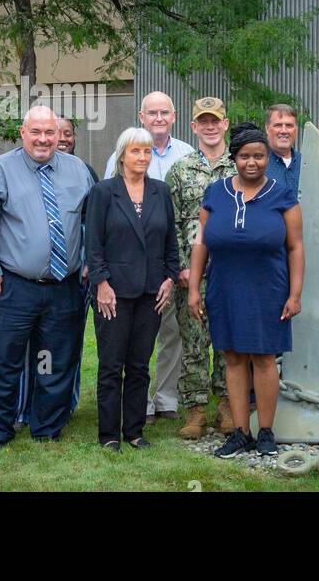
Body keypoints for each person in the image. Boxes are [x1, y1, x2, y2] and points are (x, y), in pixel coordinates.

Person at [0, 106, 93, 452]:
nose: (43, 139)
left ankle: (47, 427)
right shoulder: (1, 169)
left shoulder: (77, 170)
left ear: (59, 134)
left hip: (62, 288)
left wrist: (89, 261)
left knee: (53, 360)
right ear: (22, 133)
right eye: (35, 132)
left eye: (50, 132)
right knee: (2, 362)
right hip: (11, 286)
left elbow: (92, 221)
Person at [188, 122, 304, 458]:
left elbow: (296, 247)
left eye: (259, 156)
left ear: (267, 157)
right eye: (244, 156)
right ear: (233, 158)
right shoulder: (215, 193)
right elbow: (200, 243)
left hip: (269, 288)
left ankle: (264, 431)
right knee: (233, 357)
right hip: (224, 287)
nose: (252, 162)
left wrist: (295, 294)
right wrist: (194, 288)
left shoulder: (283, 196)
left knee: (265, 357)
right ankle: (239, 432)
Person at [103, 91, 195, 426]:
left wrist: (177, 267)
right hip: (127, 270)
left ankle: (166, 398)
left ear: (173, 116)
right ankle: (138, 404)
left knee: (172, 333)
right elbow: (106, 215)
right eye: (152, 113)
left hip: (167, 266)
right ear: (141, 115)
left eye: (164, 113)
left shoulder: (187, 155)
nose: (158, 118)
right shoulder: (121, 154)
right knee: (134, 339)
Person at [85, 128, 178, 451]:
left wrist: (168, 278)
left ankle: (135, 431)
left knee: (139, 364)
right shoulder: (103, 192)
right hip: (113, 292)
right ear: (122, 155)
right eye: (135, 151)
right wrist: (101, 283)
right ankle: (109, 434)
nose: (142, 157)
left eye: (147, 151)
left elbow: (171, 243)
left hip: (151, 292)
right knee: (112, 364)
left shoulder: (161, 192)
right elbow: (93, 244)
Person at [163, 96, 234, 439]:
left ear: (225, 124)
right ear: (193, 127)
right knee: (192, 343)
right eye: (203, 121)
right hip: (192, 272)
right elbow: (171, 221)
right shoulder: (180, 169)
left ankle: (226, 406)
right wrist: (180, 266)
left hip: (230, 270)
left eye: (215, 120)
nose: (209, 126)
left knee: (226, 341)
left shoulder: (239, 166)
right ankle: (194, 410)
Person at [264, 104, 303, 195]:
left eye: (289, 126)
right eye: (278, 125)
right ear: (267, 128)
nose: (284, 131)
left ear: (296, 129)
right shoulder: (257, 164)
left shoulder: (306, 164)